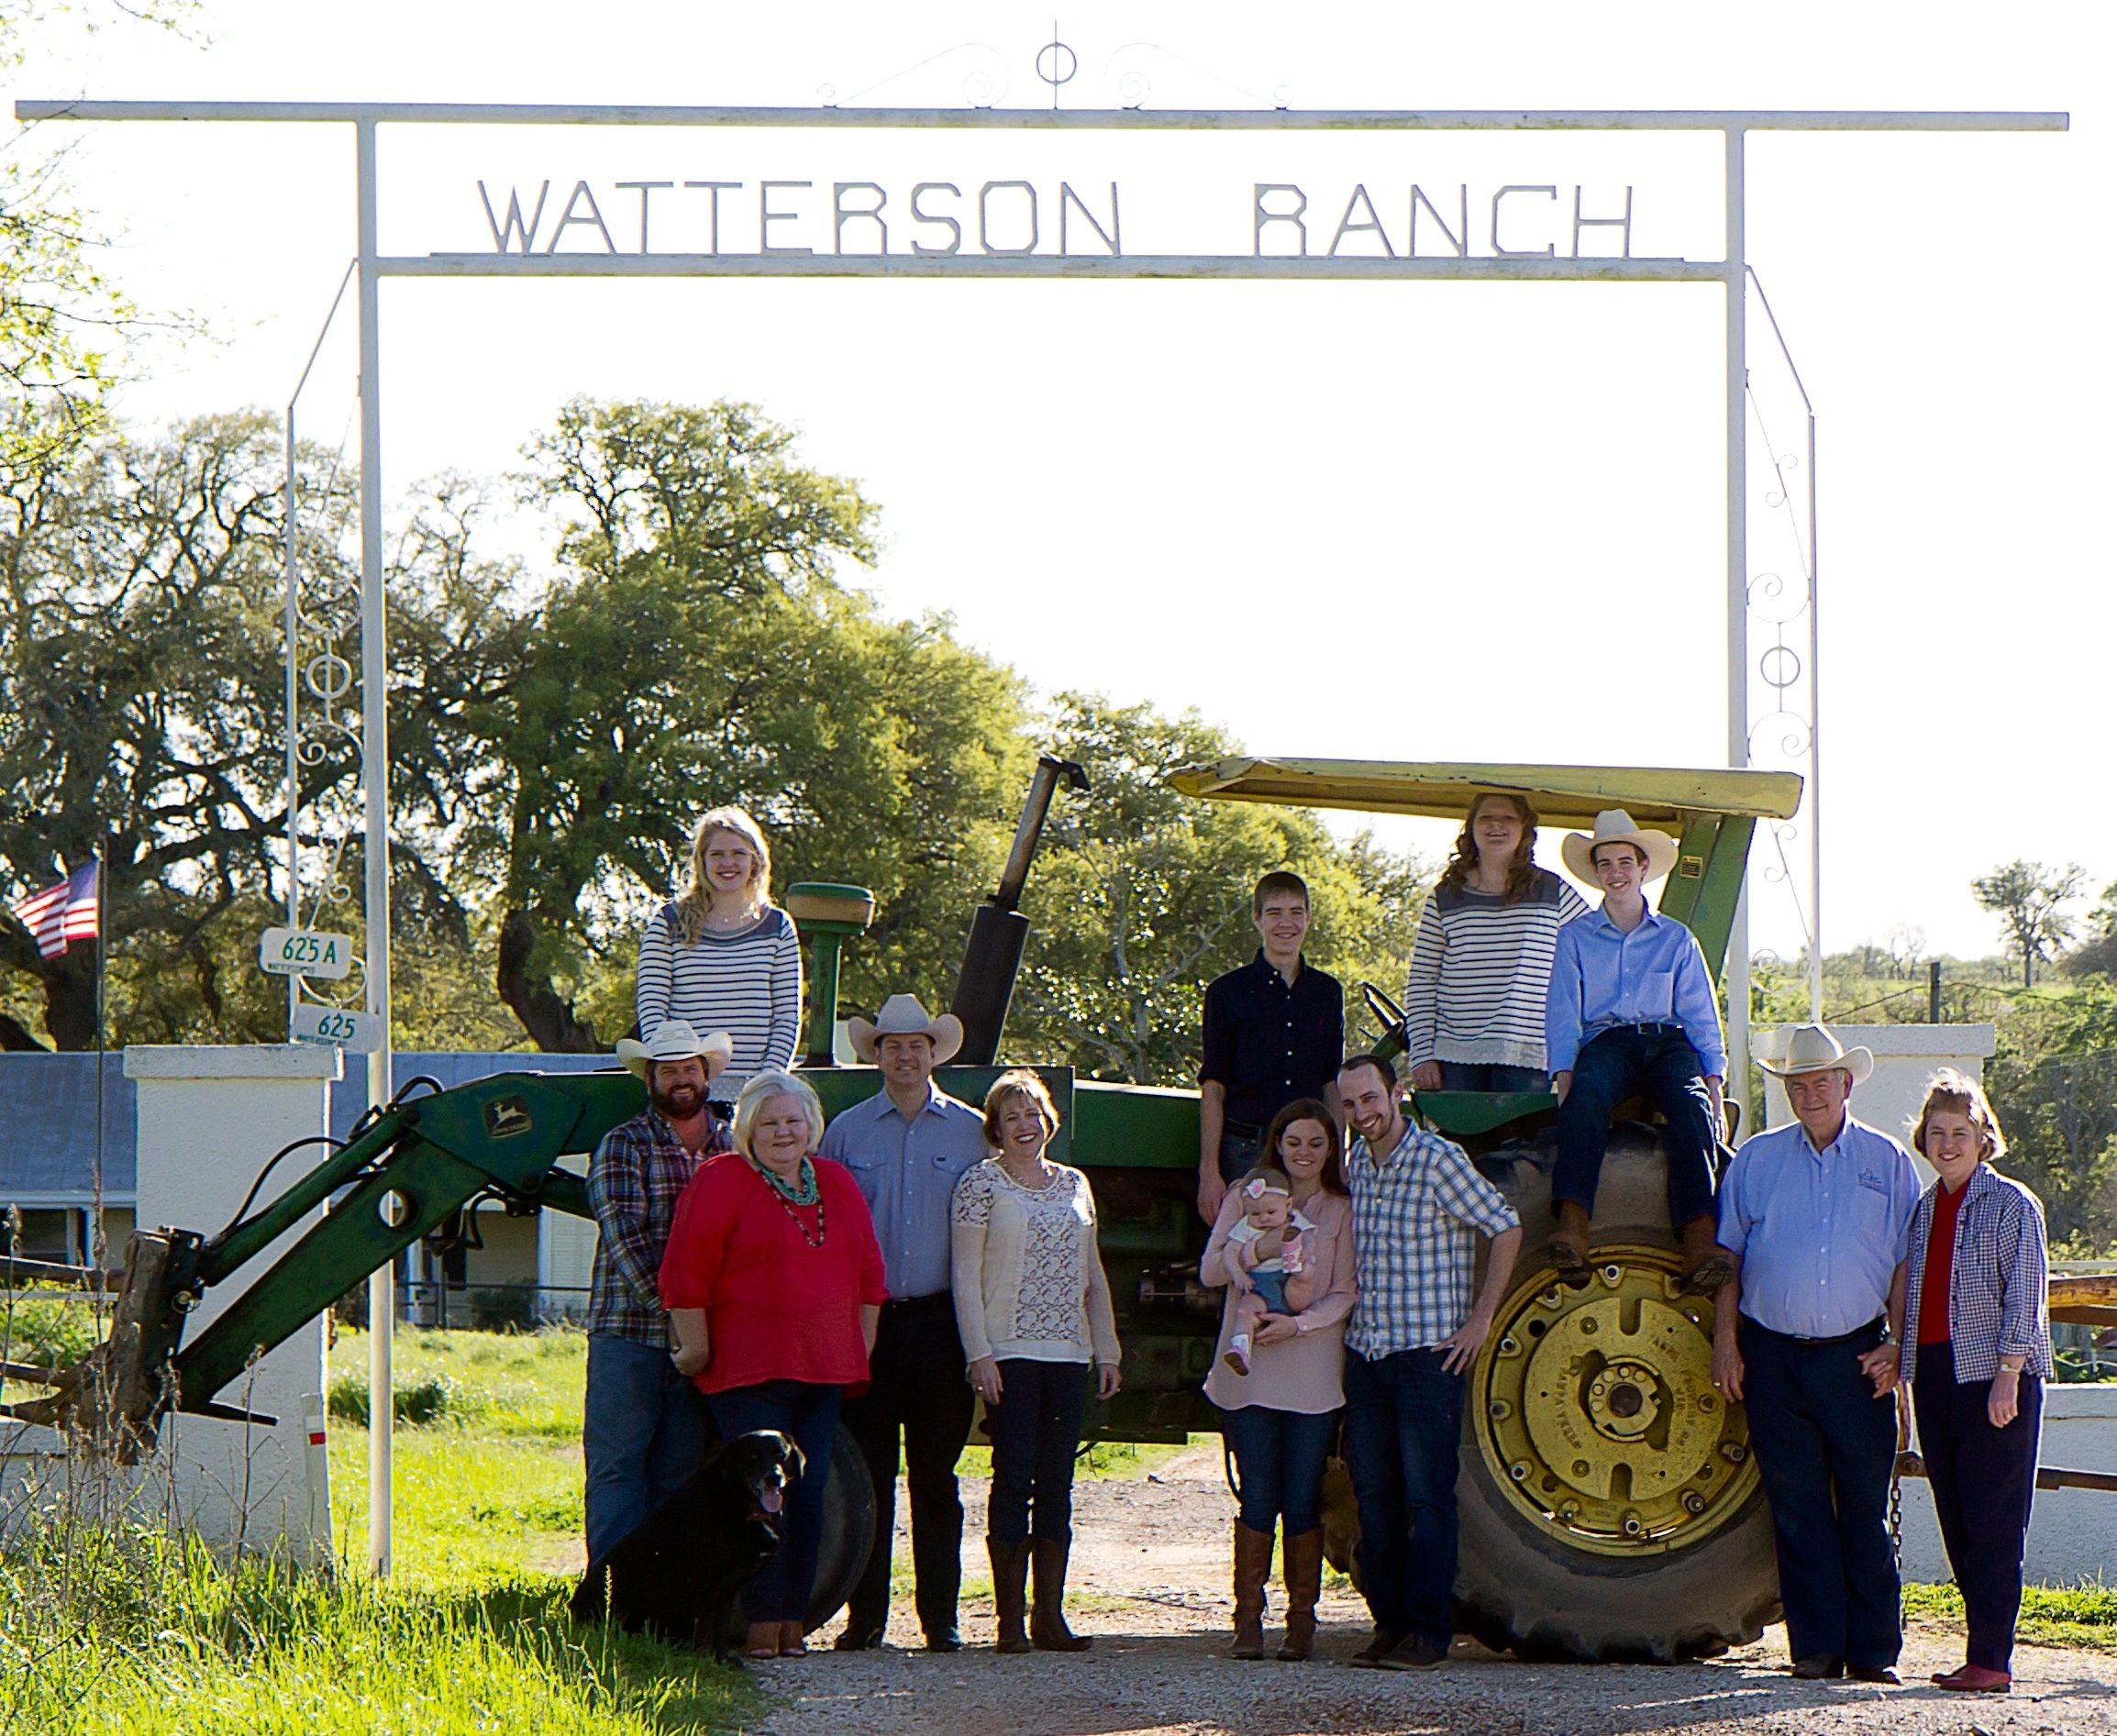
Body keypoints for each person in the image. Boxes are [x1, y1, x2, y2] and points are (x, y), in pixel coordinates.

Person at [1712, 1023, 1920, 1685]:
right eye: (1797, 1084)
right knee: (1797, 1507)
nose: (1809, 1094)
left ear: (1845, 1083)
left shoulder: (1888, 1161)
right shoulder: (1757, 1161)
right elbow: (1728, 1259)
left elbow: (1904, 1267)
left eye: (1819, 1082)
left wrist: (1897, 1345)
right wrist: (1726, 1342)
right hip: (1773, 1355)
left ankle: (1876, 1651)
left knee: (1862, 1505)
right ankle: (1816, 1648)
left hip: (1858, 1355)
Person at [659, 1068, 888, 1661]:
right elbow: (686, 1272)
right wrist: (697, 1347)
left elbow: (869, 1275)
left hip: (824, 1370)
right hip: (747, 1368)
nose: (783, 1131)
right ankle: (760, 1624)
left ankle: (792, 1625)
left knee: (806, 1492)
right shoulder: (722, 1179)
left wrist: (858, 1347)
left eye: (793, 1120)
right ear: (747, 1130)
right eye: (769, 1122)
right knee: (758, 1496)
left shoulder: (834, 1182)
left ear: (811, 1124)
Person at [1336, 1052, 1522, 1672]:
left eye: (1370, 1098)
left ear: (1395, 1094)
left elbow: (1506, 1225)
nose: (1363, 1113)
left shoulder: (1438, 1159)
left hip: (1425, 1355)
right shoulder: (1358, 1161)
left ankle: (1429, 1632)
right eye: (1351, 1104)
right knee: (1374, 1496)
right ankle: (1388, 1626)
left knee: (1427, 1499)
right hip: (1367, 1352)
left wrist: (1481, 1318)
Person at [818, 994, 988, 1653]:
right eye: (893, 1045)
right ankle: (865, 1618)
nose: (906, 1055)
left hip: (943, 1321)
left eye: (917, 1044)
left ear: (934, 1051)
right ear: (877, 1054)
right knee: (870, 1473)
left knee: (936, 1477)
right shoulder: (847, 1132)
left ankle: (940, 1619)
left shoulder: (972, 1132)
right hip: (869, 1323)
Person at [1888, 1070, 2051, 1695]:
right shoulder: (1926, 1207)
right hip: (1935, 1377)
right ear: (1924, 1138)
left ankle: (1992, 1659)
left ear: (1985, 1137)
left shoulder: (2014, 1203)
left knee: (1994, 1520)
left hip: (1994, 1379)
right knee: (1956, 1517)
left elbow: (2027, 1298)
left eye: (1961, 1131)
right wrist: (1898, 1358)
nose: (1948, 1143)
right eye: (1937, 1132)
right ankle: (1978, 1651)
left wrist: (2009, 1374)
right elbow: (1917, 1296)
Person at [951, 1068, 1122, 1654]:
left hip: (1068, 1353)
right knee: (1012, 1477)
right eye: (1011, 1117)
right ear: (996, 1129)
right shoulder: (981, 1184)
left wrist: (1108, 1348)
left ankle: (1050, 1616)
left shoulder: (1075, 1184)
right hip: (1010, 1353)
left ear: (1049, 1120)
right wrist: (979, 1354)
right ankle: (1007, 1622)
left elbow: (1092, 1273)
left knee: (1057, 1481)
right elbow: (964, 1278)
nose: (1024, 1126)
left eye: (1032, 1114)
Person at [1544, 808, 1731, 1293]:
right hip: (1608, 1042)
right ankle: (1573, 1226)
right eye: (1605, 864)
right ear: (1598, 873)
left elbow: (1699, 1014)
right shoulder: (1576, 938)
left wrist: (1713, 1082)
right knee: (1584, 1098)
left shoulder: (1676, 939)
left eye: (1625, 862)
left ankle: (1699, 1239)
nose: (1616, 872)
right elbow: (1563, 1010)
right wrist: (1564, 1073)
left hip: (1667, 1042)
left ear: (1643, 868)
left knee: (1690, 1109)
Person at [1200, 1097, 1356, 1663]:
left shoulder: (1341, 1209)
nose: (1304, 1154)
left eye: (1316, 1143)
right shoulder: (1249, 1194)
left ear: (1331, 1148)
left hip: (1311, 1369)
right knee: (1258, 1491)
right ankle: (1247, 1620)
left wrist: (1299, 1325)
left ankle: (1302, 1622)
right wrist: (1262, 1244)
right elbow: (1212, 1269)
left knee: (1302, 1496)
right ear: (1277, 1144)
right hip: (1250, 1369)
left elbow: (1344, 1291)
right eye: (1294, 1142)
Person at [581, 1020, 736, 1566]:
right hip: (630, 1330)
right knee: (618, 1465)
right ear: (650, 1078)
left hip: (710, 1340)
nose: (681, 1080)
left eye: (689, 1069)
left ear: (706, 1073)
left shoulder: (734, 1146)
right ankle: (611, 1596)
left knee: (681, 1469)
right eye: (668, 1070)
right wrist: (679, 1318)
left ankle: (665, 1597)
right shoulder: (624, 1144)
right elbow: (626, 1239)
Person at [1405, 791, 1590, 1094]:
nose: (1496, 826)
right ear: (1471, 828)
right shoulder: (1445, 897)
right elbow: (1422, 980)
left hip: (1528, 1052)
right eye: (1486, 818)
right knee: (1462, 1141)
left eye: (1508, 818)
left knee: (1523, 1142)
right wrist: (1422, 1054)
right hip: (1455, 1055)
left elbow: (1594, 954)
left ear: (1524, 830)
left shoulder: (1552, 891)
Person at [1197, 871, 1345, 1224]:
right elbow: (1213, 1086)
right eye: (1275, 912)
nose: (1286, 923)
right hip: (1246, 1147)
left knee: (1309, 1256)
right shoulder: (1227, 992)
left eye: (1296, 912)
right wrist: (1209, 1172)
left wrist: (1339, 1160)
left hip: (1310, 1151)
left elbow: (1331, 1083)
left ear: (1309, 918)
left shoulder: (1327, 992)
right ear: (1258, 919)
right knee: (1244, 1255)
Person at [637, 806, 804, 1100]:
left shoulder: (778, 926)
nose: (728, 863)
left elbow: (787, 1017)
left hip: (756, 1091)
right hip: (686, 1093)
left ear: (755, 860)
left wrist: (768, 1083)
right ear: (702, 861)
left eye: (738, 853)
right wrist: (676, 1076)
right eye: (716, 854)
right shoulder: (668, 921)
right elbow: (652, 1009)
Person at [1218, 1167, 1317, 1378]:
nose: (1263, 1219)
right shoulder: (1245, 1227)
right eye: (1255, 1213)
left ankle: (1294, 1259)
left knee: (1306, 1275)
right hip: (1260, 1289)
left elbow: (1310, 1236)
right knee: (1244, 1312)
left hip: (1291, 1285)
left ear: (1288, 1205)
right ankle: (1240, 1349)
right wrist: (1237, 1274)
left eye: (1271, 1213)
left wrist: (1307, 1251)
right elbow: (1230, 1251)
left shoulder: (1294, 1220)